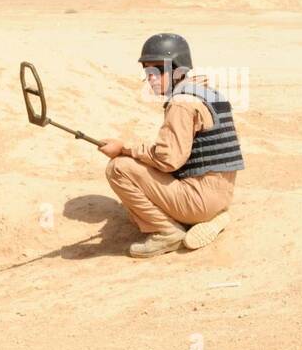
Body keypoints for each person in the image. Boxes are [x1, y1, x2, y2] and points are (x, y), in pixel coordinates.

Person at [98, 33, 244, 258]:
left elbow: (168, 160)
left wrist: (124, 149)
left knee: (118, 168)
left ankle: (167, 232)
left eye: (158, 71)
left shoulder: (181, 103)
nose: (152, 78)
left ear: (177, 70)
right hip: (221, 194)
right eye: (148, 72)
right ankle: (213, 216)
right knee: (134, 209)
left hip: (200, 199)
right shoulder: (208, 92)